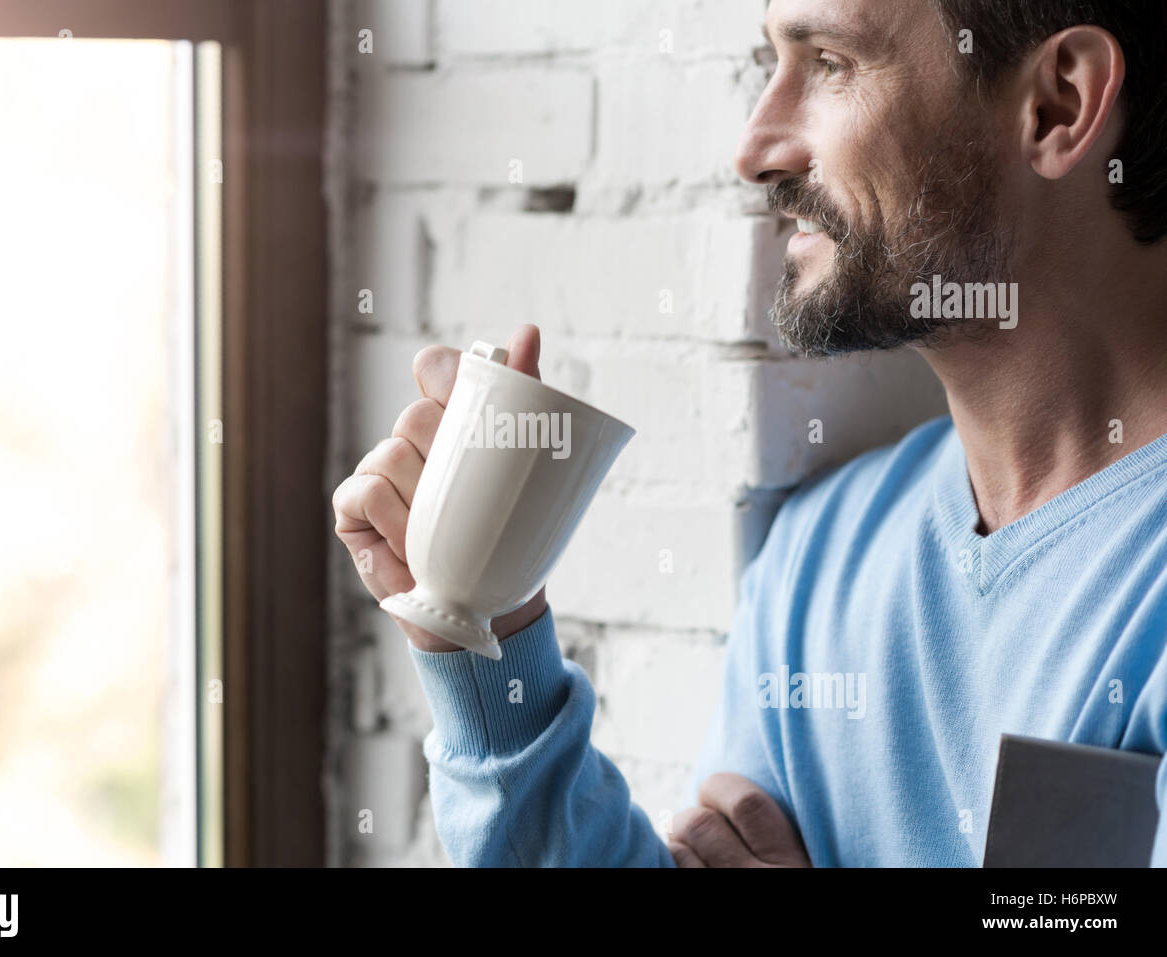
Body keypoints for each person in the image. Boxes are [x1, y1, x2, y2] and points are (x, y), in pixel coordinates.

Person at [332, 0, 1167, 866]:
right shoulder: (819, 561)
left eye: (830, 63)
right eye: (773, 63)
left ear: (1058, 105)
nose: (755, 147)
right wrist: (483, 636)